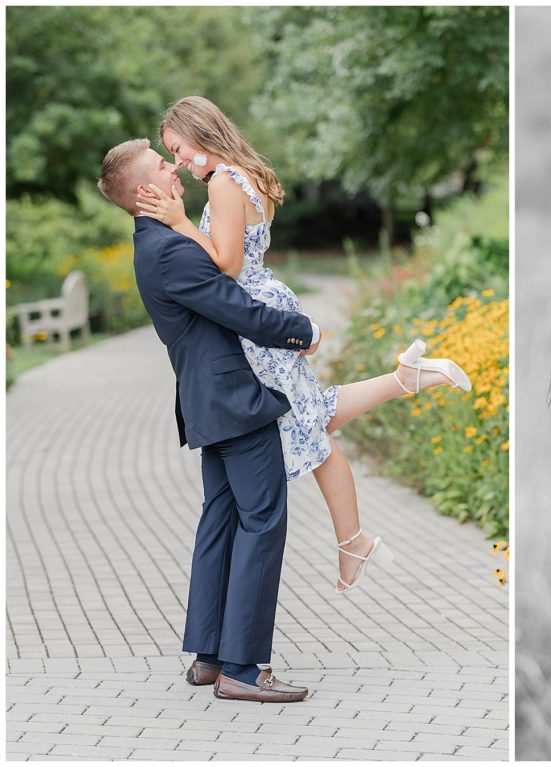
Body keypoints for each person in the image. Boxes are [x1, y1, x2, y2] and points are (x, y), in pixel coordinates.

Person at [136, 96, 472, 596]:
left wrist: (180, 224)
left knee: (313, 426)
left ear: (200, 133)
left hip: (251, 319)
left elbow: (225, 266)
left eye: (179, 149)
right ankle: (405, 384)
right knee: (314, 420)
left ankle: (355, 535)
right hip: (262, 303)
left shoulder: (226, 183)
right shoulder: (246, 175)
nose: (180, 163)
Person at [98, 138, 316, 702]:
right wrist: (302, 330)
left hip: (211, 403)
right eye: (163, 165)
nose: (175, 169)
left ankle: (210, 657)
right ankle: (243, 670)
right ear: (147, 190)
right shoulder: (168, 251)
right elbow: (235, 308)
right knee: (263, 521)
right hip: (232, 403)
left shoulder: (159, 241)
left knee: (220, 521)